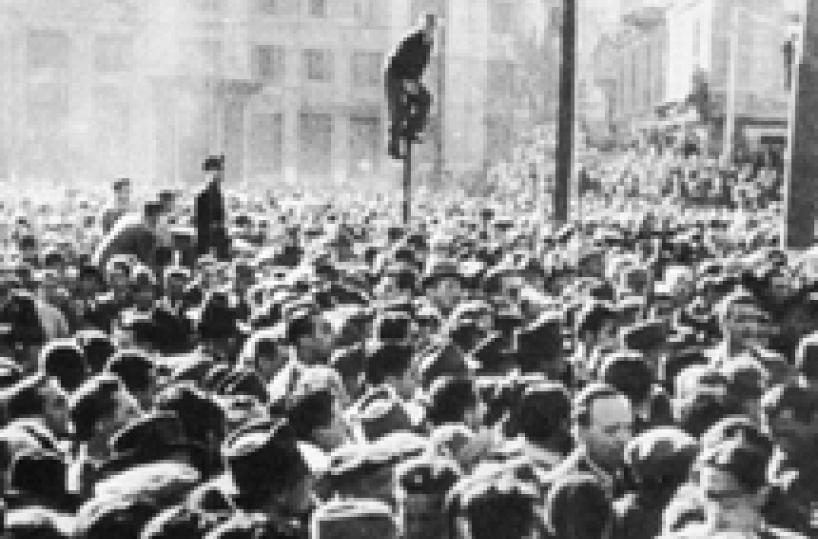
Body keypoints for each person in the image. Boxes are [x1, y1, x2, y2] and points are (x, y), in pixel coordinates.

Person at [384, 12, 436, 159]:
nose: (430, 32)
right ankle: (393, 148)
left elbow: (421, 66)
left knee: (425, 99)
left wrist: (414, 83)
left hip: (410, 79)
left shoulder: (429, 45)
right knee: (399, 111)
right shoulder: (411, 41)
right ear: (422, 27)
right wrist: (404, 81)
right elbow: (397, 62)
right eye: (427, 28)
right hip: (395, 76)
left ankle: (412, 130)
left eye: (432, 29)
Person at [195, 155, 229, 261]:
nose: (221, 174)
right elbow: (203, 224)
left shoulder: (217, 193)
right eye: (219, 170)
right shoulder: (206, 195)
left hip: (216, 241)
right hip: (210, 243)